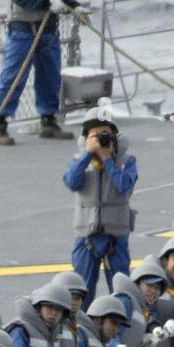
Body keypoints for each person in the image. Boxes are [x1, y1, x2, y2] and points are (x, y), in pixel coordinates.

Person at [0, 0, 83, 144]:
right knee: (14, 76)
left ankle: (48, 120)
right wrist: (46, 2)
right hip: (24, 28)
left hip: (49, 27)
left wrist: (74, 6)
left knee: (50, 75)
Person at [64, 108, 138, 304]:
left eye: (105, 134)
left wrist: (107, 160)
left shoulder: (127, 161)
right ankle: (82, 327)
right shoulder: (79, 161)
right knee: (81, 289)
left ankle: (122, 326)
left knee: (121, 287)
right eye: (94, 135)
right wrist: (88, 154)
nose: (101, 139)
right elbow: (71, 181)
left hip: (116, 235)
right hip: (87, 234)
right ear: (86, 137)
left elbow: (123, 185)